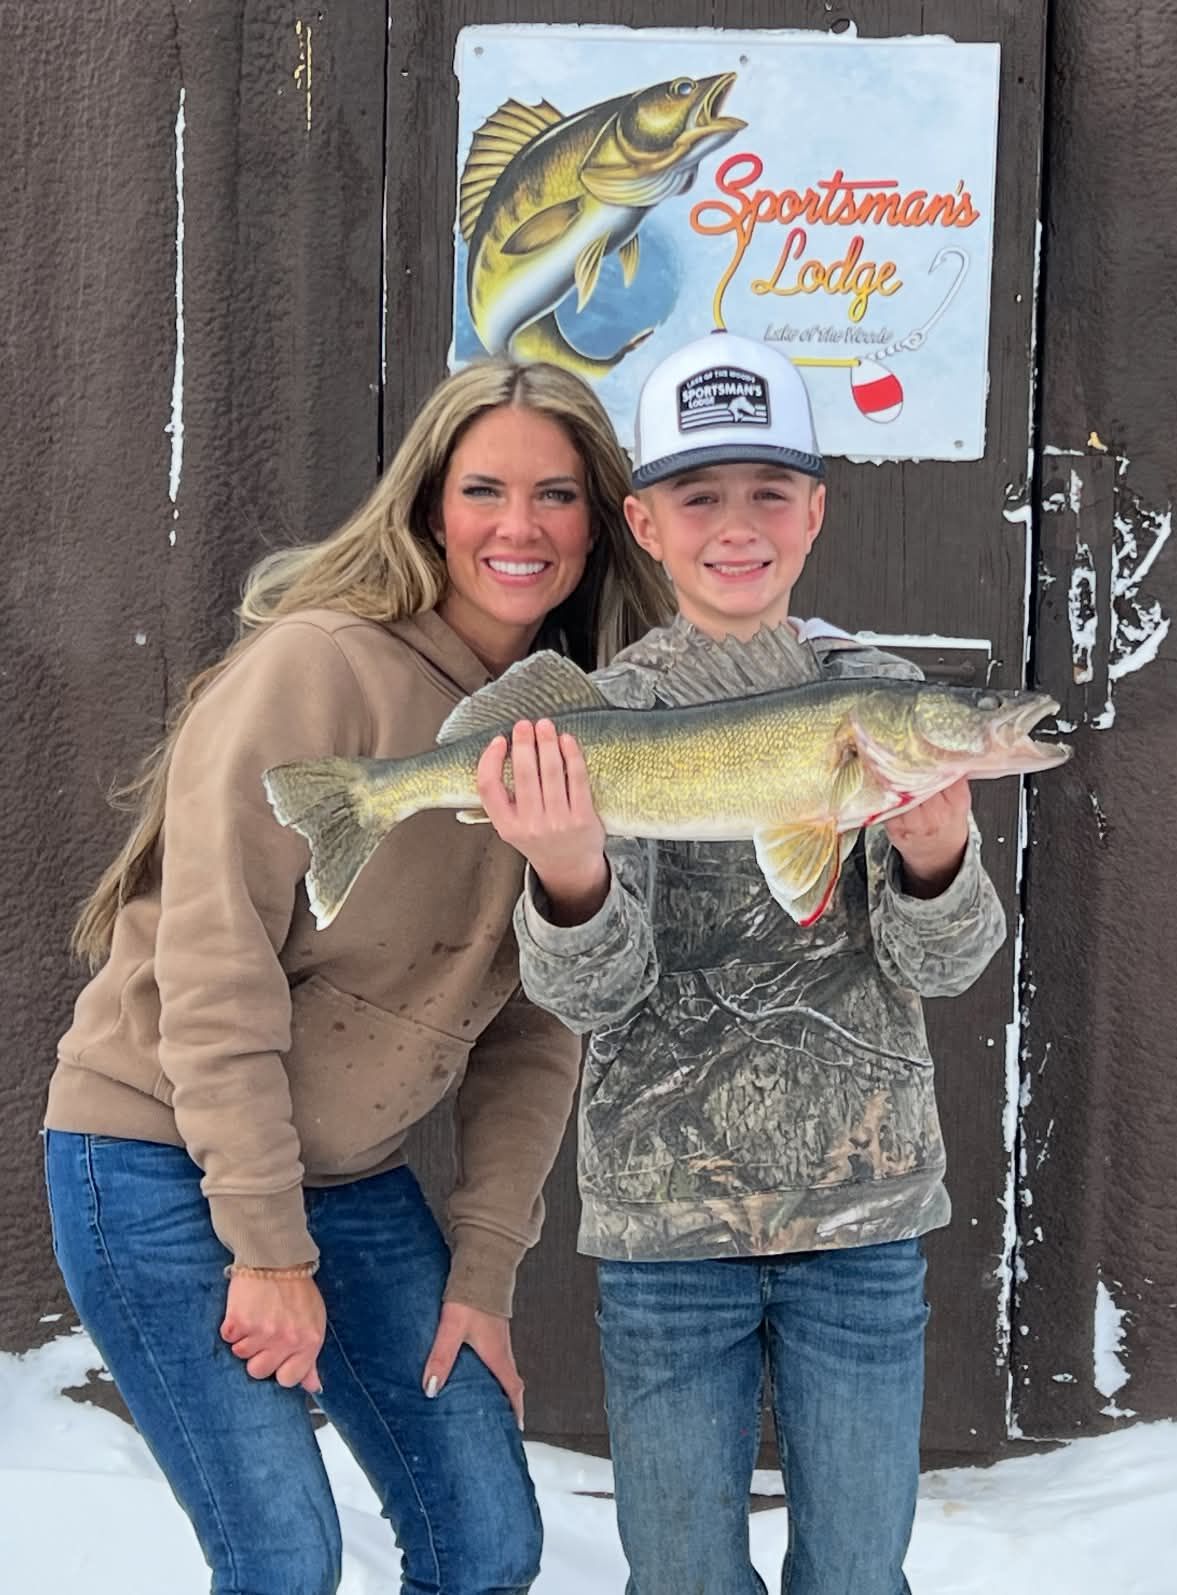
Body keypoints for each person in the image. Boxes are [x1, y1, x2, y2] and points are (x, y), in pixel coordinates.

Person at [43, 357, 672, 1595]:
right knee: (283, 1557)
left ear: (598, 520)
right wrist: (269, 1249)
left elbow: (538, 1032)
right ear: (430, 505)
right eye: (484, 488)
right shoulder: (318, 664)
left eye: (556, 495)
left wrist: (482, 1274)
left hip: (351, 1180)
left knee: (485, 1540)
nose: (519, 526)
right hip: (161, 1153)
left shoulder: (588, 724)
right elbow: (214, 963)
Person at [477, 332, 1009, 1595]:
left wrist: (938, 851)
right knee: (680, 1576)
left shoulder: (879, 700)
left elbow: (946, 963)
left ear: (815, 513)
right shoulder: (599, 720)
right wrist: (567, 871)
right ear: (645, 523)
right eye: (700, 495)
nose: (738, 525)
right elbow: (591, 993)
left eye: (769, 491)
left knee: (857, 1575)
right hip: (666, 1234)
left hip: (864, 1221)